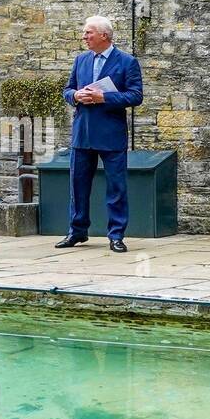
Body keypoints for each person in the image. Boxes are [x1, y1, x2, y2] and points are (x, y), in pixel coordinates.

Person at [57, 15, 145, 253]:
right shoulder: (80, 60)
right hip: (82, 133)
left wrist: (103, 98)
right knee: (78, 186)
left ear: (104, 35)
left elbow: (136, 96)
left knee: (116, 187)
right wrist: (74, 96)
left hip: (111, 134)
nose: (84, 37)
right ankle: (76, 231)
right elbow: (67, 89)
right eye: (85, 33)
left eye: (88, 33)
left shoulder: (127, 62)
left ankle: (116, 235)